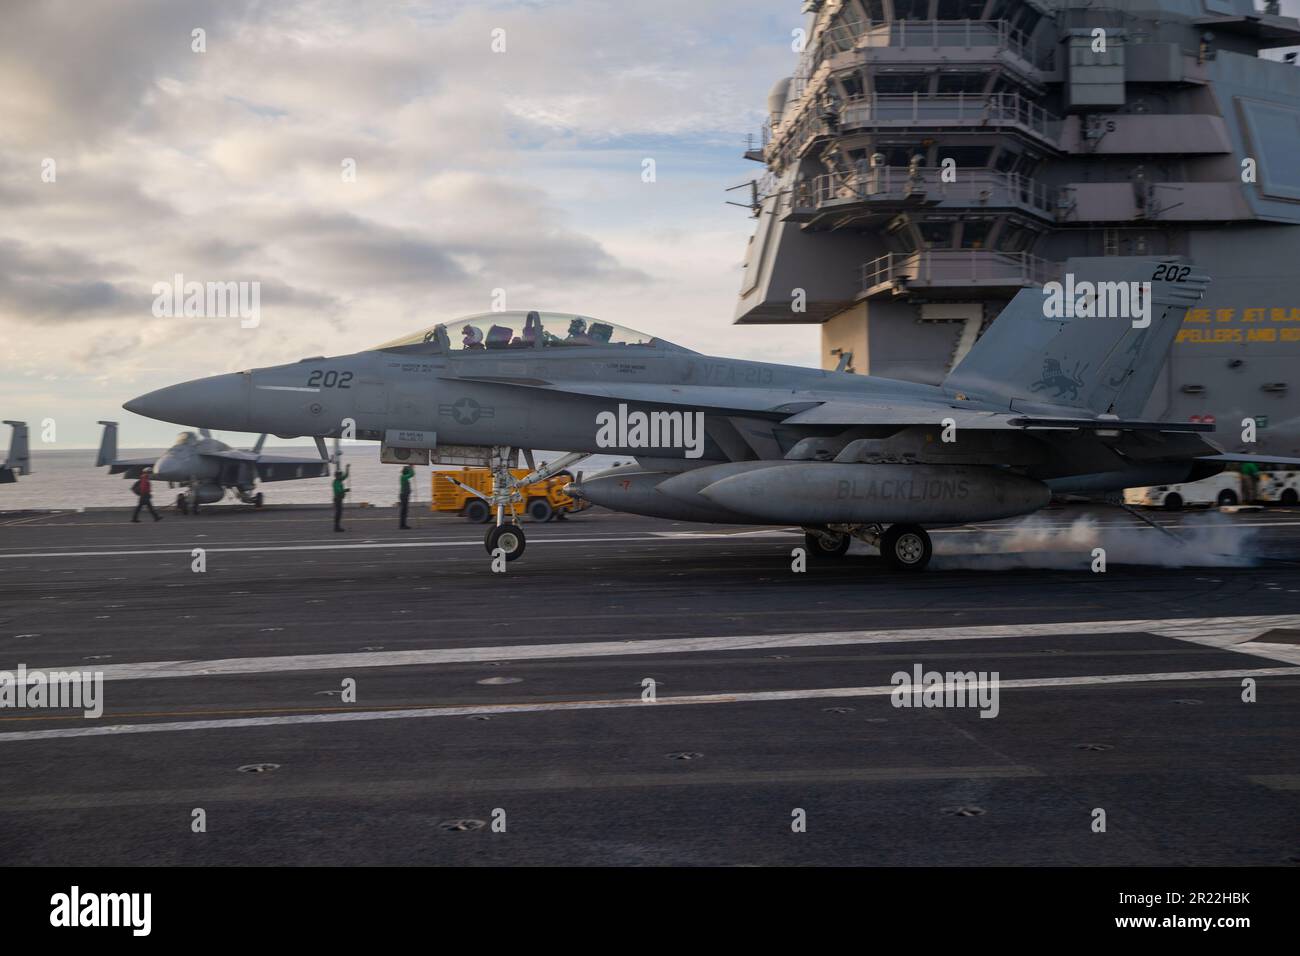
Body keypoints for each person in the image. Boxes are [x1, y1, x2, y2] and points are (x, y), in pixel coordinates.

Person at [332, 465, 350, 532]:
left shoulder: (339, 480)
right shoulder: (336, 482)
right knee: (338, 513)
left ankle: (337, 527)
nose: (340, 476)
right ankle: (336, 527)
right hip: (337, 500)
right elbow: (338, 491)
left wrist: (347, 468)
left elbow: (346, 475)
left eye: (340, 474)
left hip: (340, 499)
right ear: (336, 476)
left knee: (339, 513)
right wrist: (346, 490)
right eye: (339, 475)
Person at [398, 463, 414, 529]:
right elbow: (412, 474)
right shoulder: (403, 477)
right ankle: (402, 525)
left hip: (404, 495)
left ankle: (403, 525)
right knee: (404, 511)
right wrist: (411, 468)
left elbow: (410, 474)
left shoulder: (403, 477)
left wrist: (410, 468)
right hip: (404, 495)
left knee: (404, 511)